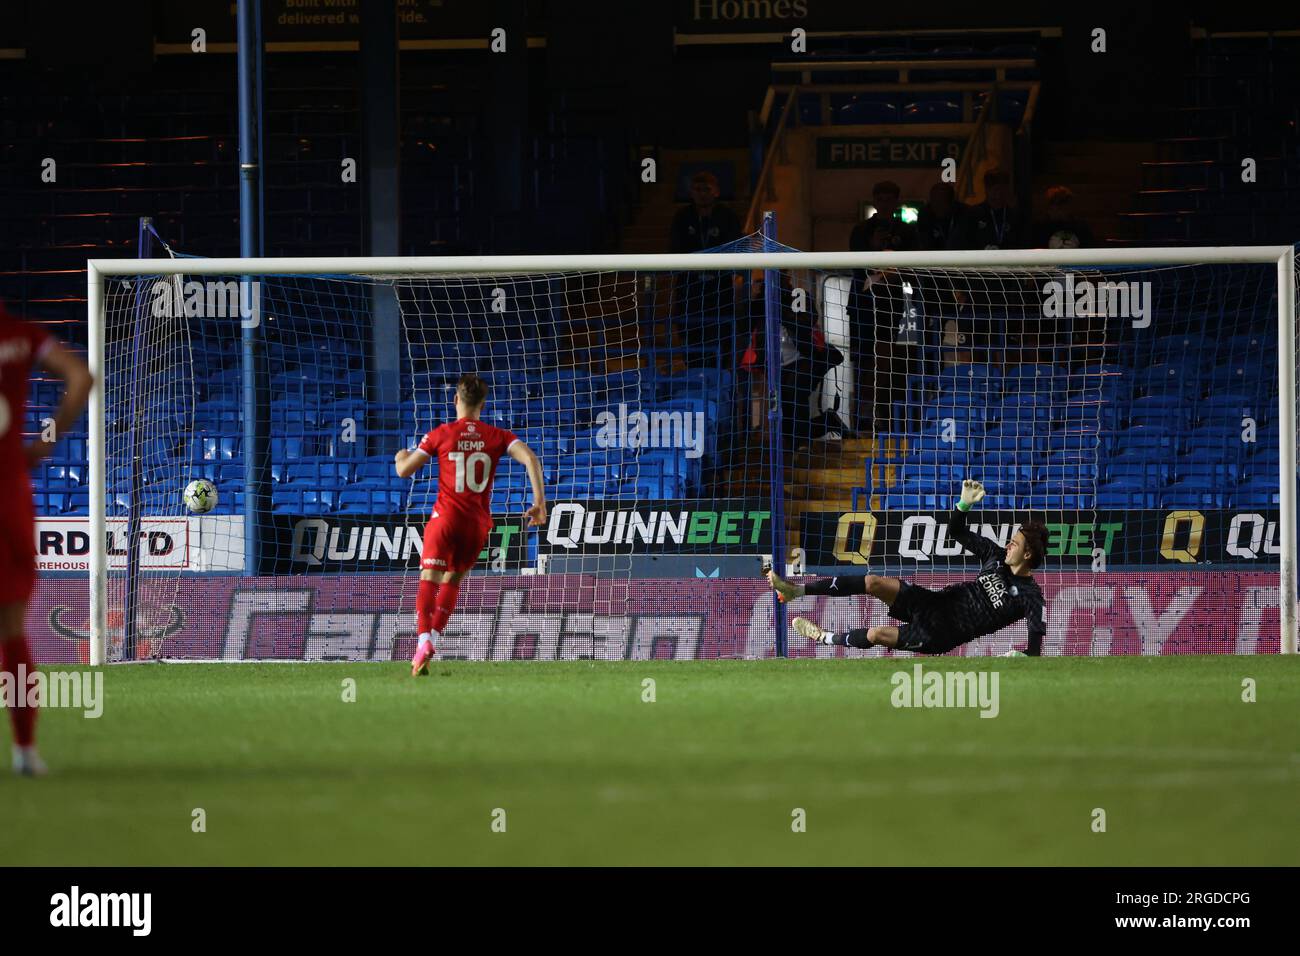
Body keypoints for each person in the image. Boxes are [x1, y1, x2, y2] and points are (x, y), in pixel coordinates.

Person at [766, 480, 1047, 656]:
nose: (1008, 546)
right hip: (936, 602)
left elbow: (1034, 649)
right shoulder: (995, 556)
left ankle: (826, 638)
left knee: (877, 634)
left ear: (1028, 553)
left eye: (1015, 544)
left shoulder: (1031, 596)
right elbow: (957, 531)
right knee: (874, 581)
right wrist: (963, 505)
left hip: (941, 635)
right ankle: (796, 590)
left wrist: (1020, 657)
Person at [395, 373, 546, 676]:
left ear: (456, 401)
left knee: (430, 576)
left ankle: (424, 639)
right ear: (483, 404)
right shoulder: (498, 435)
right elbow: (530, 458)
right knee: (452, 581)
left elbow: (404, 471)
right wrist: (540, 503)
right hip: (476, 524)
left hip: (446, 519)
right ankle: (431, 642)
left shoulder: (441, 433)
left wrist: (401, 455)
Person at [0, 302, 93, 775]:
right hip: (8, 492)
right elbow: (80, 377)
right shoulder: (19, 335)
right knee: (11, 633)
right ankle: (26, 751)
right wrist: (47, 440)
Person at [669, 171, 742, 367]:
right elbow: (675, 250)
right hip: (690, 291)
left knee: (720, 341)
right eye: (698, 189)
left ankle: (720, 387)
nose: (702, 194)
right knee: (691, 343)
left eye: (707, 189)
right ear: (691, 192)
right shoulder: (682, 217)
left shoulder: (728, 216)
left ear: (716, 192)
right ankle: (694, 379)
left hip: (719, 292)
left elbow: (735, 248)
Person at [949, 169, 1026, 250]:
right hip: (980, 261)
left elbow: (1024, 243)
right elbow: (957, 243)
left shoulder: (1014, 215)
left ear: (1007, 189)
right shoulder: (972, 214)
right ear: (986, 189)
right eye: (993, 188)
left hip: (1011, 261)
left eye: (1001, 188)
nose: (997, 193)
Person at [915, 182, 967, 251]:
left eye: (941, 202)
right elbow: (925, 243)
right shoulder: (925, 214)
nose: (937, 206)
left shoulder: (964, 213)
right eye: (934, 201)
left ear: (952, 202)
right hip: (934, 257)